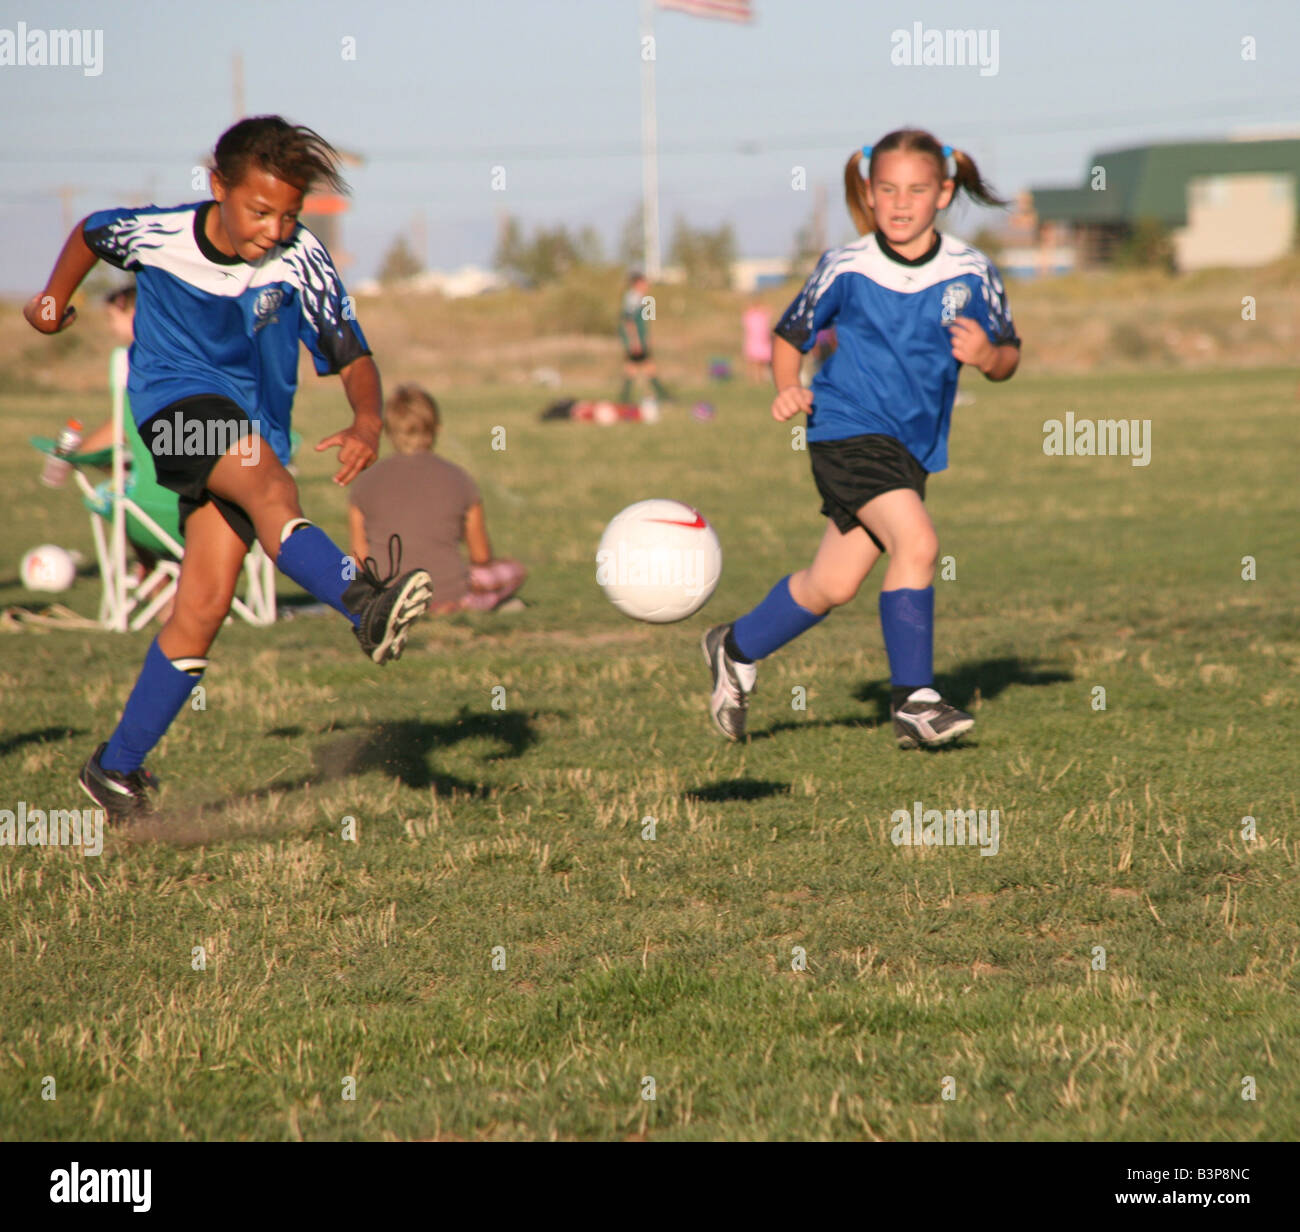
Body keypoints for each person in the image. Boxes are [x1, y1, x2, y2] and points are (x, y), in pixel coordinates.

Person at [23, 115, 433, 819]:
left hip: (254, 432)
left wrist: (368, 419)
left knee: (204, 608)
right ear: (218, 187)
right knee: (270, 482)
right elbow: (94, 230)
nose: (274, 228)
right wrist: (54, 298)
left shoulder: (301, 258)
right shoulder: (158, 235)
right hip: (174, 414)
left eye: (290, 213)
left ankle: (114, 769)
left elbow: (352, 353)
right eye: (260, 210)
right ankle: (361, 604)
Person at [701, 128, 1021, 748]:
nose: (902, 203)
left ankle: (734, 647)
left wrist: (986, 355)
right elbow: (790, 333)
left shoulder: (973, 271)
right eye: (888, 190)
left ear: (944, 193)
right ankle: (914, 702)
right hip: (845, 430)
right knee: (919, 542)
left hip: (910, 448)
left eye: (918, 190)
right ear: (870, 194)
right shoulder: (847, 266)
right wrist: (788, 386)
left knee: (833, 584)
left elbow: (1009, 356)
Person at [349, 385, 526, 614]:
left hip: (386, 597)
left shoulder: (364, 483)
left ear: (389, 431)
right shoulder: (461, 478)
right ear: (436, 428)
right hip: (450, 596)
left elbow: (358, 560)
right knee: (514, 569)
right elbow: (481, 555)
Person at [617, 271, 669, 404]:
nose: (648, 285)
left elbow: (645, 321)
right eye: (645, 282)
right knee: (645, 366)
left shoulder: (644, 298)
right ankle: (662, 395)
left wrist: (647, 338)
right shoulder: (632, 298)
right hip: (635, 339)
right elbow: (629, 322)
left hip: (640, 338)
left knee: (635, 367)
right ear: (637, 283)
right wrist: (635, 341)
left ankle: (625, 398)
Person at [742, 298, 772, 383]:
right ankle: (754, 378)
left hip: (762, 341)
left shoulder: (762, 316)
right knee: (753, 362)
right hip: (754, 341)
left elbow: (769, 311)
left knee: (761, 362)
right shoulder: (750, 316)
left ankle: (759, 378)